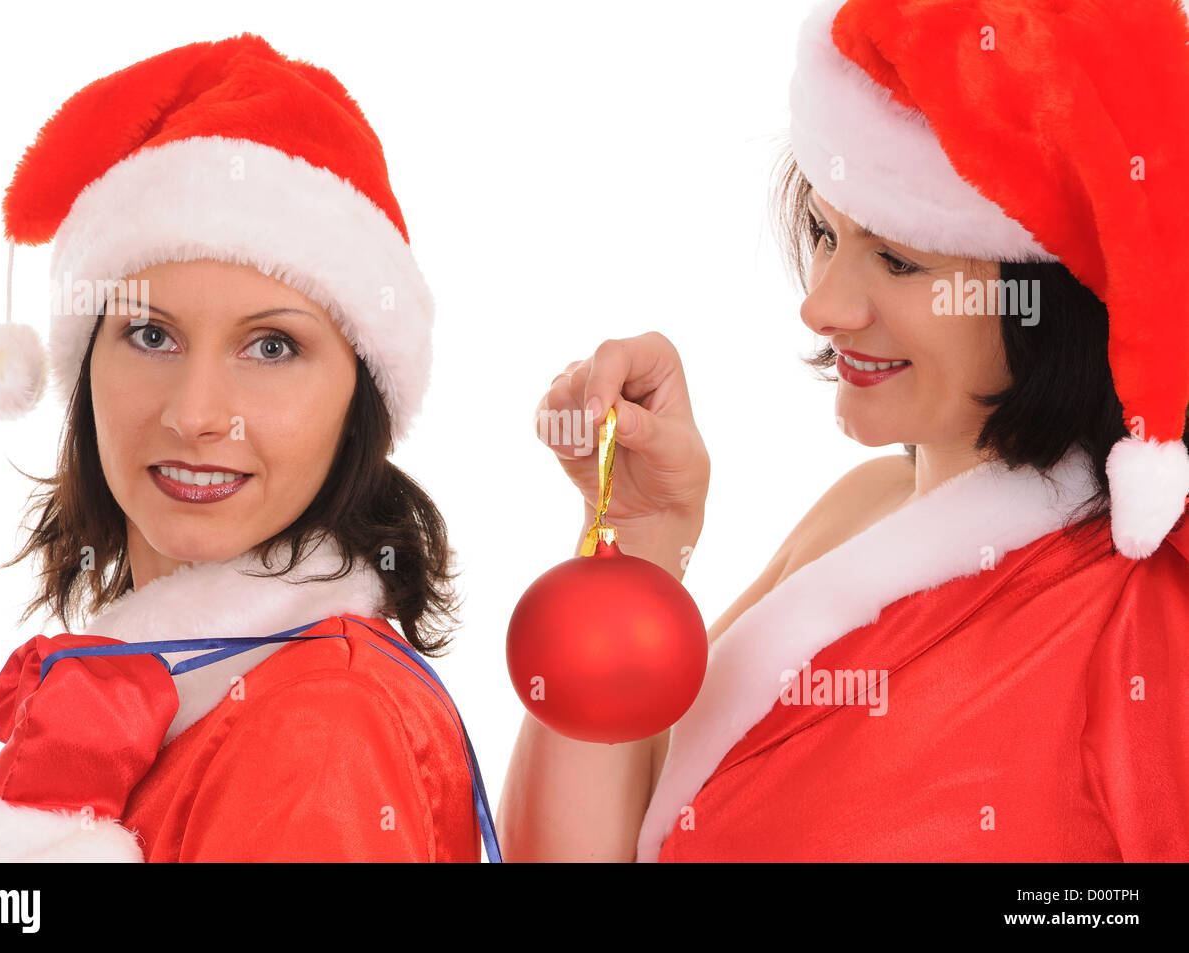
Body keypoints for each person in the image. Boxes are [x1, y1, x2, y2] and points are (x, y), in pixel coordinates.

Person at [499, 0, 1189, 862]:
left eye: (899, 259)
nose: (821, 304)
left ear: (1047, 298)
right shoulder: (861, 508)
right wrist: (636, 540)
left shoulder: (1142, 613)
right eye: (826, 232)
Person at [0, 33, 497, 862]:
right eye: (150, 333)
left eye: (271, 347)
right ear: (84, 364)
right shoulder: (177, 682)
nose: (198, 414)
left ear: (360, 400)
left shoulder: (320, 728)